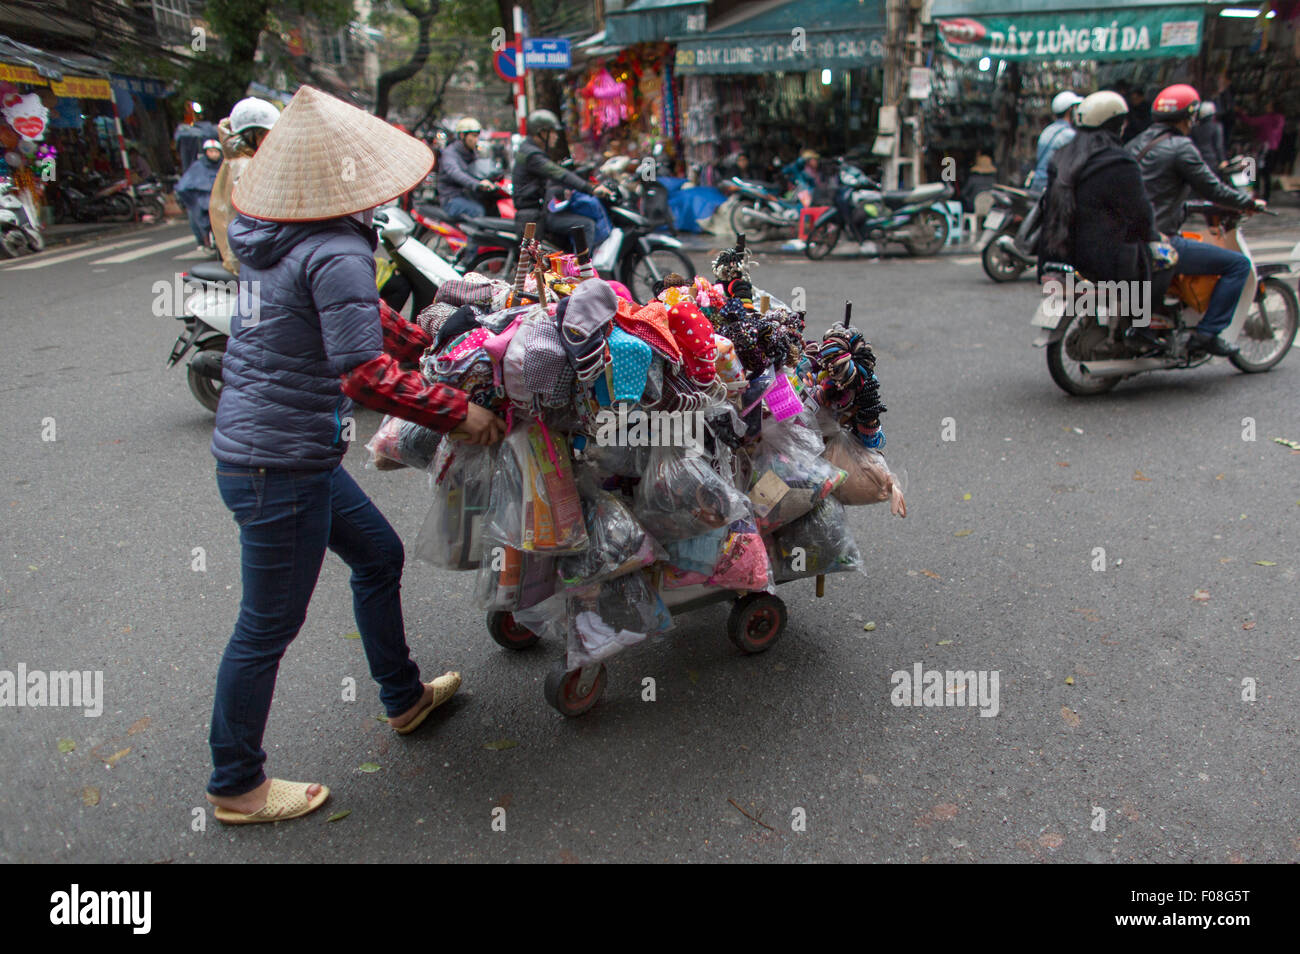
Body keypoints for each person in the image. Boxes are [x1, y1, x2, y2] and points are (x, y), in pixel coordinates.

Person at [206, 85, 507, 825]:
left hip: (278, 456)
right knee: (266, 625)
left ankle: (402, 698)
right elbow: (363, 372)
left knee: (377, 556)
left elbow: (365, 324)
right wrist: (457, 411)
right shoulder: (336, 244)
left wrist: (442, 340)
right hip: (278, 465)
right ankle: (235, 782)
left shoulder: (285, 233)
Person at [1128, 84, 1266, 356]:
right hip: (1160, 239)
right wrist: (1248, 202)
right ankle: (1207, 334)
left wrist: (1188, 207)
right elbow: (1212, 188)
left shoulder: (1136, 143)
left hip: (1129, 236)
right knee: (1238, 265)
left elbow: (1155, 192)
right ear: (1188, 116)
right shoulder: (1180, 147)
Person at [1039, 91, 1159, 290]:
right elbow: (1141, 215)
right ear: (1118, 124)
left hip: (1056, 254)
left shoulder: (1061, 157)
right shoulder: (1118, 162)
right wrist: (1152, 236)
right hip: (1102, 263)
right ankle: (1141, 318)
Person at [512, 109, 613, 251]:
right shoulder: (532, 155)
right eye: (552, 132)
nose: (555, 136)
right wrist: (591, 188)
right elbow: (558, 173)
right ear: (541, 133)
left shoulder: (528, 150)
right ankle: (581, 270)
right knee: (586, 225)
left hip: (539, 209)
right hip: (536, 213)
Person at [210, 97, 279, 275]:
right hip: (247, 255)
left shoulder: (240, 160)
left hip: (244, 250)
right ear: (251, 136)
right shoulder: (244, 165)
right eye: (265, 135)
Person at [438, 117, 495, 220]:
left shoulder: (473, 153)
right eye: (473, 136)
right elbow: (456, 173)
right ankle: (473, 237)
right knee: (477, 210)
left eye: (477, 136)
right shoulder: (450, 154)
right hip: (452, 198)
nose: (476, 140)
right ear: (462, 135)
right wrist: (477, 184)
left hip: (469, 195)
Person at [175, 138, 223, 252]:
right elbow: (184, 186)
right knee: (196, 215)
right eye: (211, 151)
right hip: (202, 201)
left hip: (220, 200)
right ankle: (204, 240)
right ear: (206, 153)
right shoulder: (198, 166)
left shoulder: (224, 165)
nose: (214, 154)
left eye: (216, 151)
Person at [1031, 91, 1083, 189]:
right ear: (1070, 110)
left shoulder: (1047, 130)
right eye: (1075, 108)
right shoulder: (1069, 135)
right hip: (1051, 187)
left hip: (1038, 184)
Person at [1237, 100, 1285, 201]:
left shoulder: (1268, 118)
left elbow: (1251, 121)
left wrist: (1240, 113)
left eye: (1269, 105)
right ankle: (1266, 195)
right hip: (1273, 148)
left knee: (1255, 170)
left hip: (1263, 148)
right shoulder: (1281, 119)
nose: (1267, 106)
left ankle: (1256, 192)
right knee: (1267, 173)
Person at [1190, 100, 1227, 178]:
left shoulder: (1194, 128)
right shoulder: (1216, 127)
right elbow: (1218, 145)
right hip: (1212, 161)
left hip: (1197, 159)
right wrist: (1222, 160)